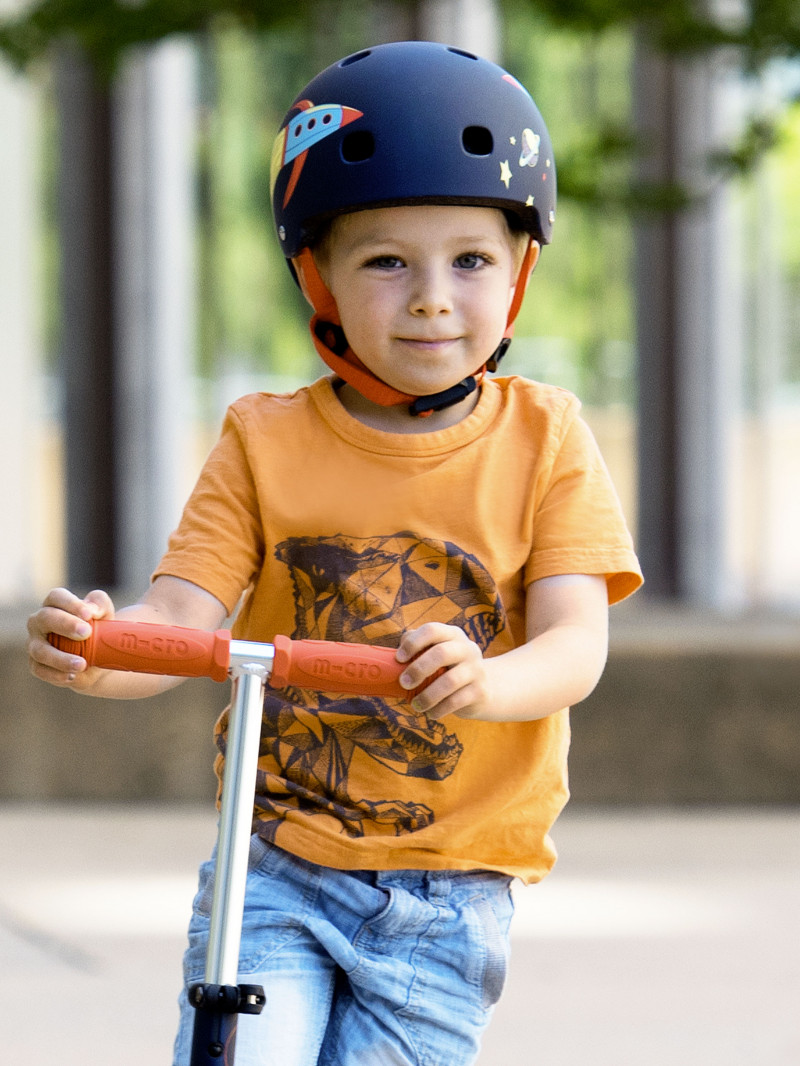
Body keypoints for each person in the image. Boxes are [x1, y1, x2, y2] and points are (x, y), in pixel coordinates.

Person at [28, 41, 643, 1066]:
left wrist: (483, 680)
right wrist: (103, 647)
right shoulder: (262, 441)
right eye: (386, 260)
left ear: (519, 271)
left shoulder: (546, 440)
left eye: (470, 259)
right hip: (279, 864)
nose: (432, 297)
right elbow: (182, 617)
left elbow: (575, 647)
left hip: (453, 890)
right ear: (317, 274)